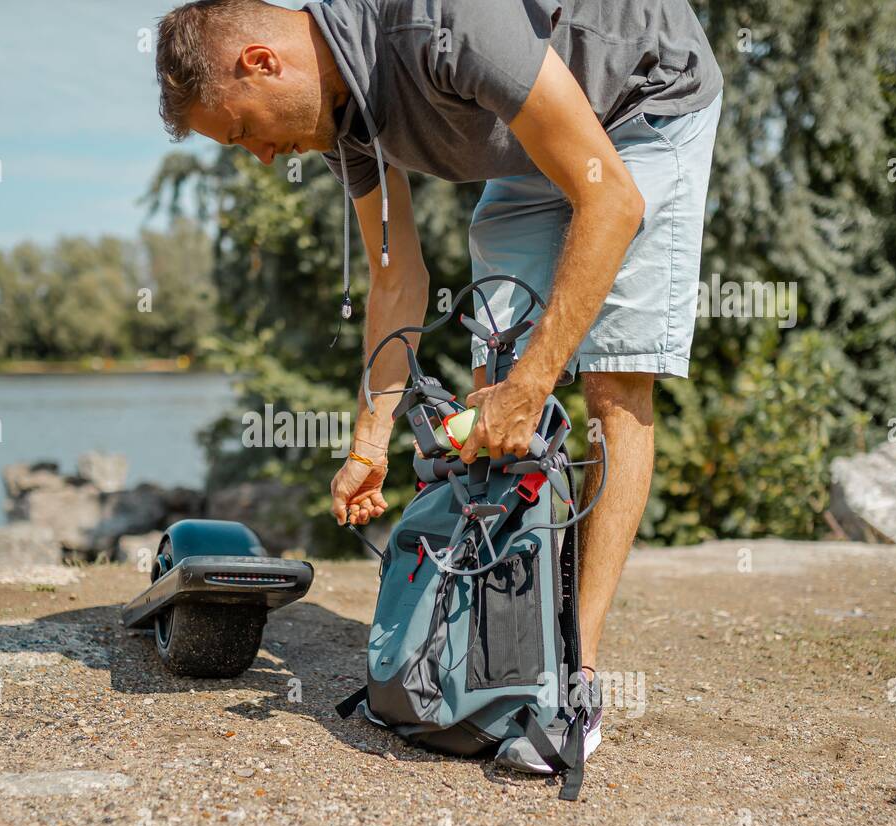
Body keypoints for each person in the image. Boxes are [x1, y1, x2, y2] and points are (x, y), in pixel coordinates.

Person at [154, 0, 722, 771]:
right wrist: (371, 442)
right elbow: (397, 279)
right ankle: (495, 651)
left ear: (261, 62)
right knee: (493, 369)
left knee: (610, 385)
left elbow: (612, 199)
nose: (259, 155)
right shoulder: (344, 115)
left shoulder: (439, 21)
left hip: (643, 99)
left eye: (241, 130)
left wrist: (535, 385)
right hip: (533, 133)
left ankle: (572, 681)